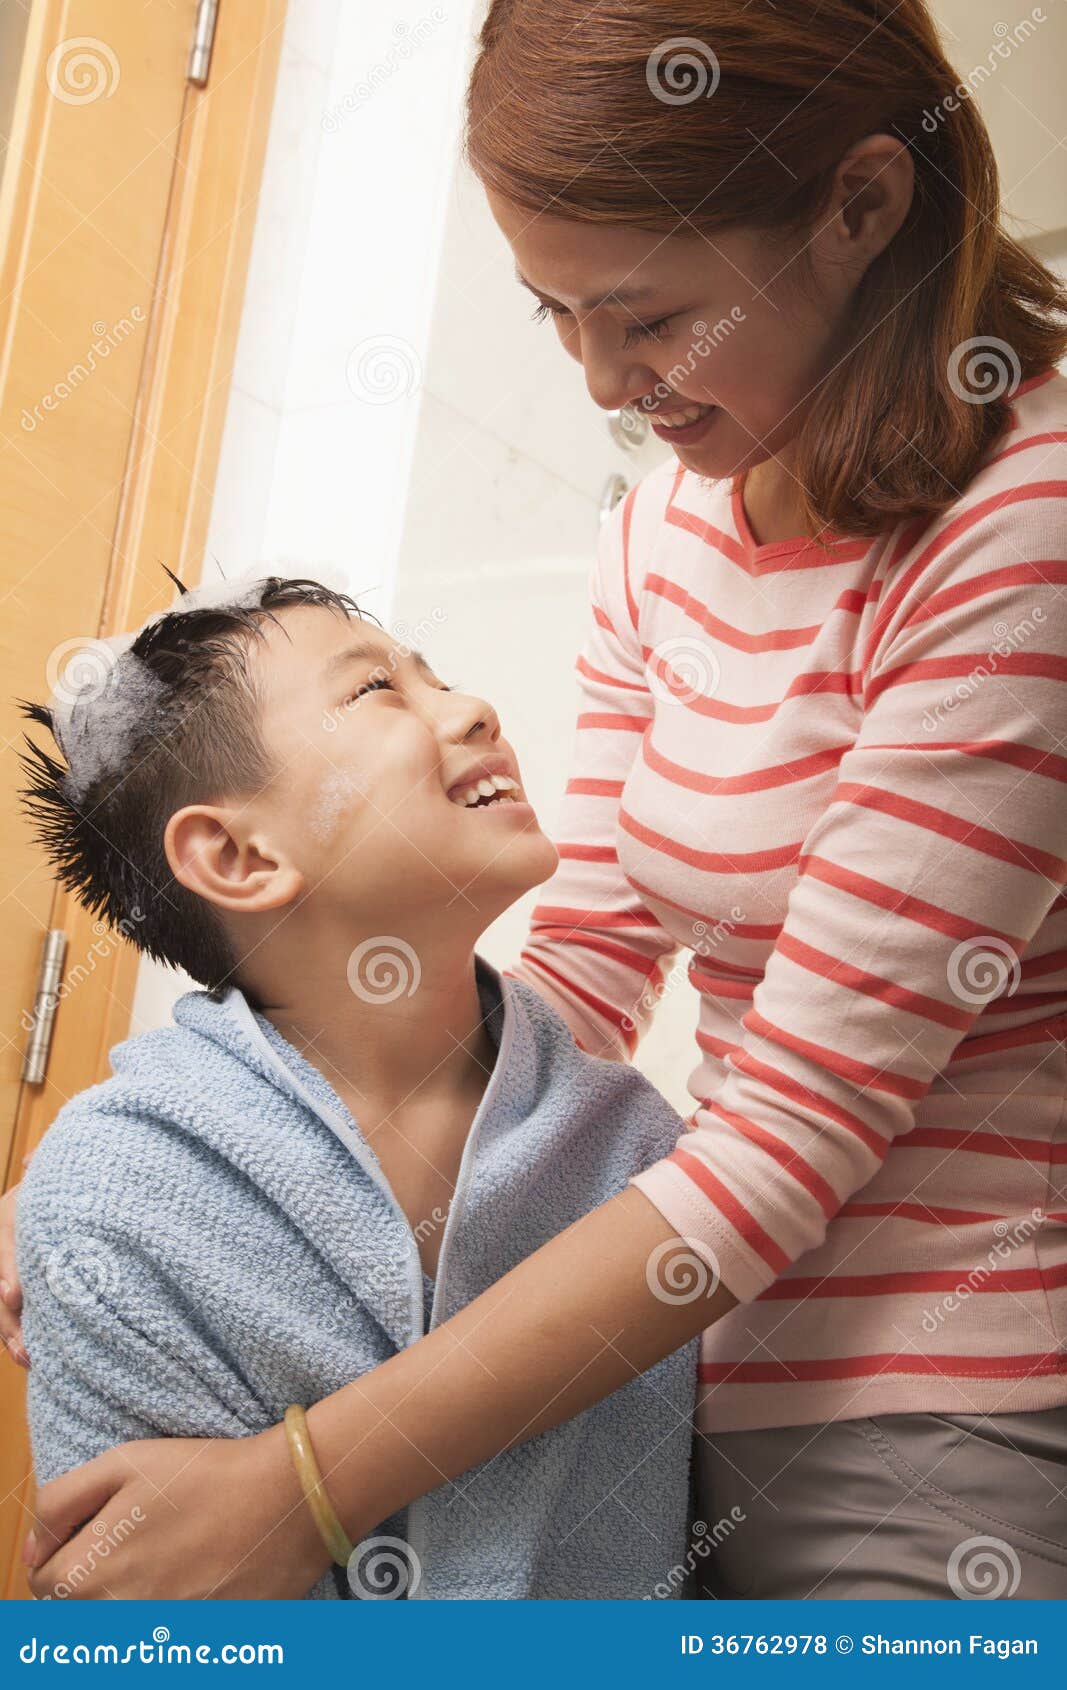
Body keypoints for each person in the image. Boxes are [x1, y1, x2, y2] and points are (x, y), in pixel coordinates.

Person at [8, 0, 1067, 1600]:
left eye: (644, 315)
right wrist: (142, 1153)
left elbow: (790, 1130)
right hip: (684, 1361)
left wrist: (304, 1486)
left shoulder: (1022, 524)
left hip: (950, 1400)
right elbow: (588, 945)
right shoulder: (666, 530)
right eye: (551, 315)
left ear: (859, 203)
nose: (598, 381)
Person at [12, 576, 696, 1600]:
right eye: (377, 689)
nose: (473, 711)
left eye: (440, 678)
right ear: (238, 855)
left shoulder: (635, 1148)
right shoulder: (115, 1199)